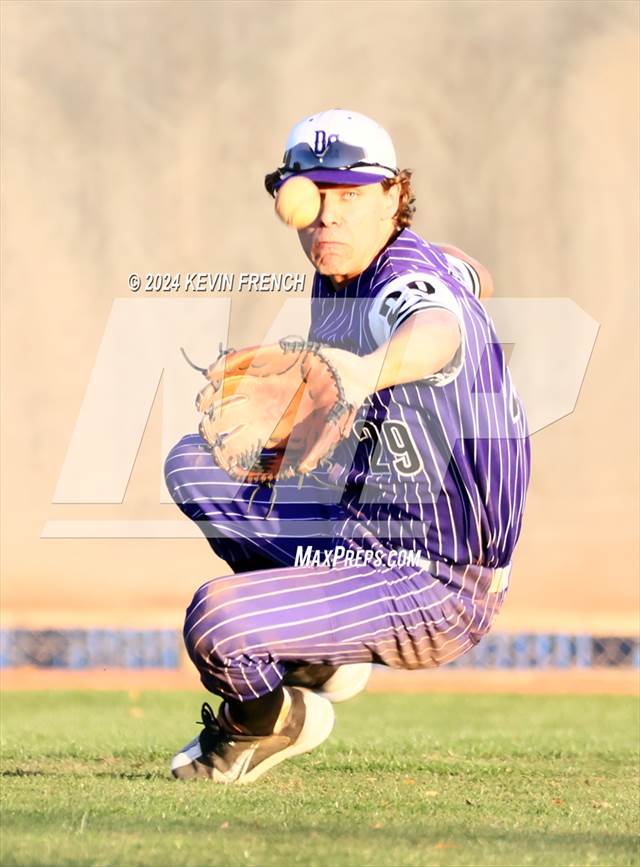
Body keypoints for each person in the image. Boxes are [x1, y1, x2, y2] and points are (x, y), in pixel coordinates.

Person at [165, 109, 530, 784]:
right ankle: (324, 656)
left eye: (351, 194)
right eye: (315, 194)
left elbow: (434, 324)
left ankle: (266, 723)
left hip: (435, 578)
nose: (327, 215)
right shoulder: (350, 273)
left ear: (395, 197)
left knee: (217, 620)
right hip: (360, 529)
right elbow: (470, 274)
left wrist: (368, 369)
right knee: (194, 465)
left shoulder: (403, 287)